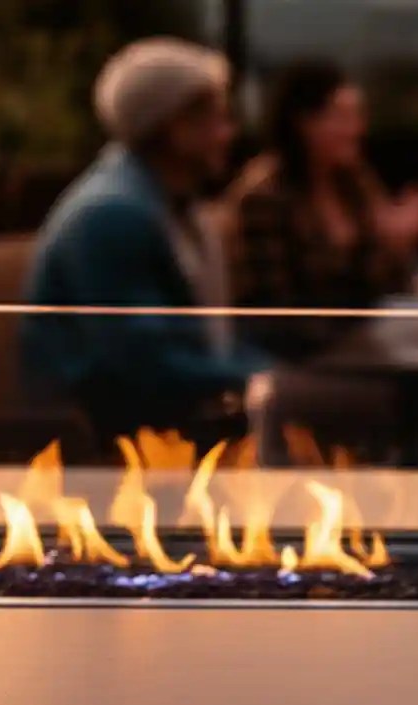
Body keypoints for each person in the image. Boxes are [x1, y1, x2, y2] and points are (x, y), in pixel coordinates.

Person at [22, 38, 255, 439]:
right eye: (218, 120)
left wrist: (273, 373)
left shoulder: (172, 205)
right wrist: (261, 377)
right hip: (95, 443)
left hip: (155, 421)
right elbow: (142, 363)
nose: (228, 134)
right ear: (175, 126)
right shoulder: (111, 215)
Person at [226, 60, 418, 359]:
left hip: (357, 339)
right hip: (295, 355)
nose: (357, 129)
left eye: (357, 116)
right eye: (341, 117)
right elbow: (275, 315)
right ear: (303, 123)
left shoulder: (354, 184)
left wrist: (397, 247)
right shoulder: (264, 197)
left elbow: (386, 287)